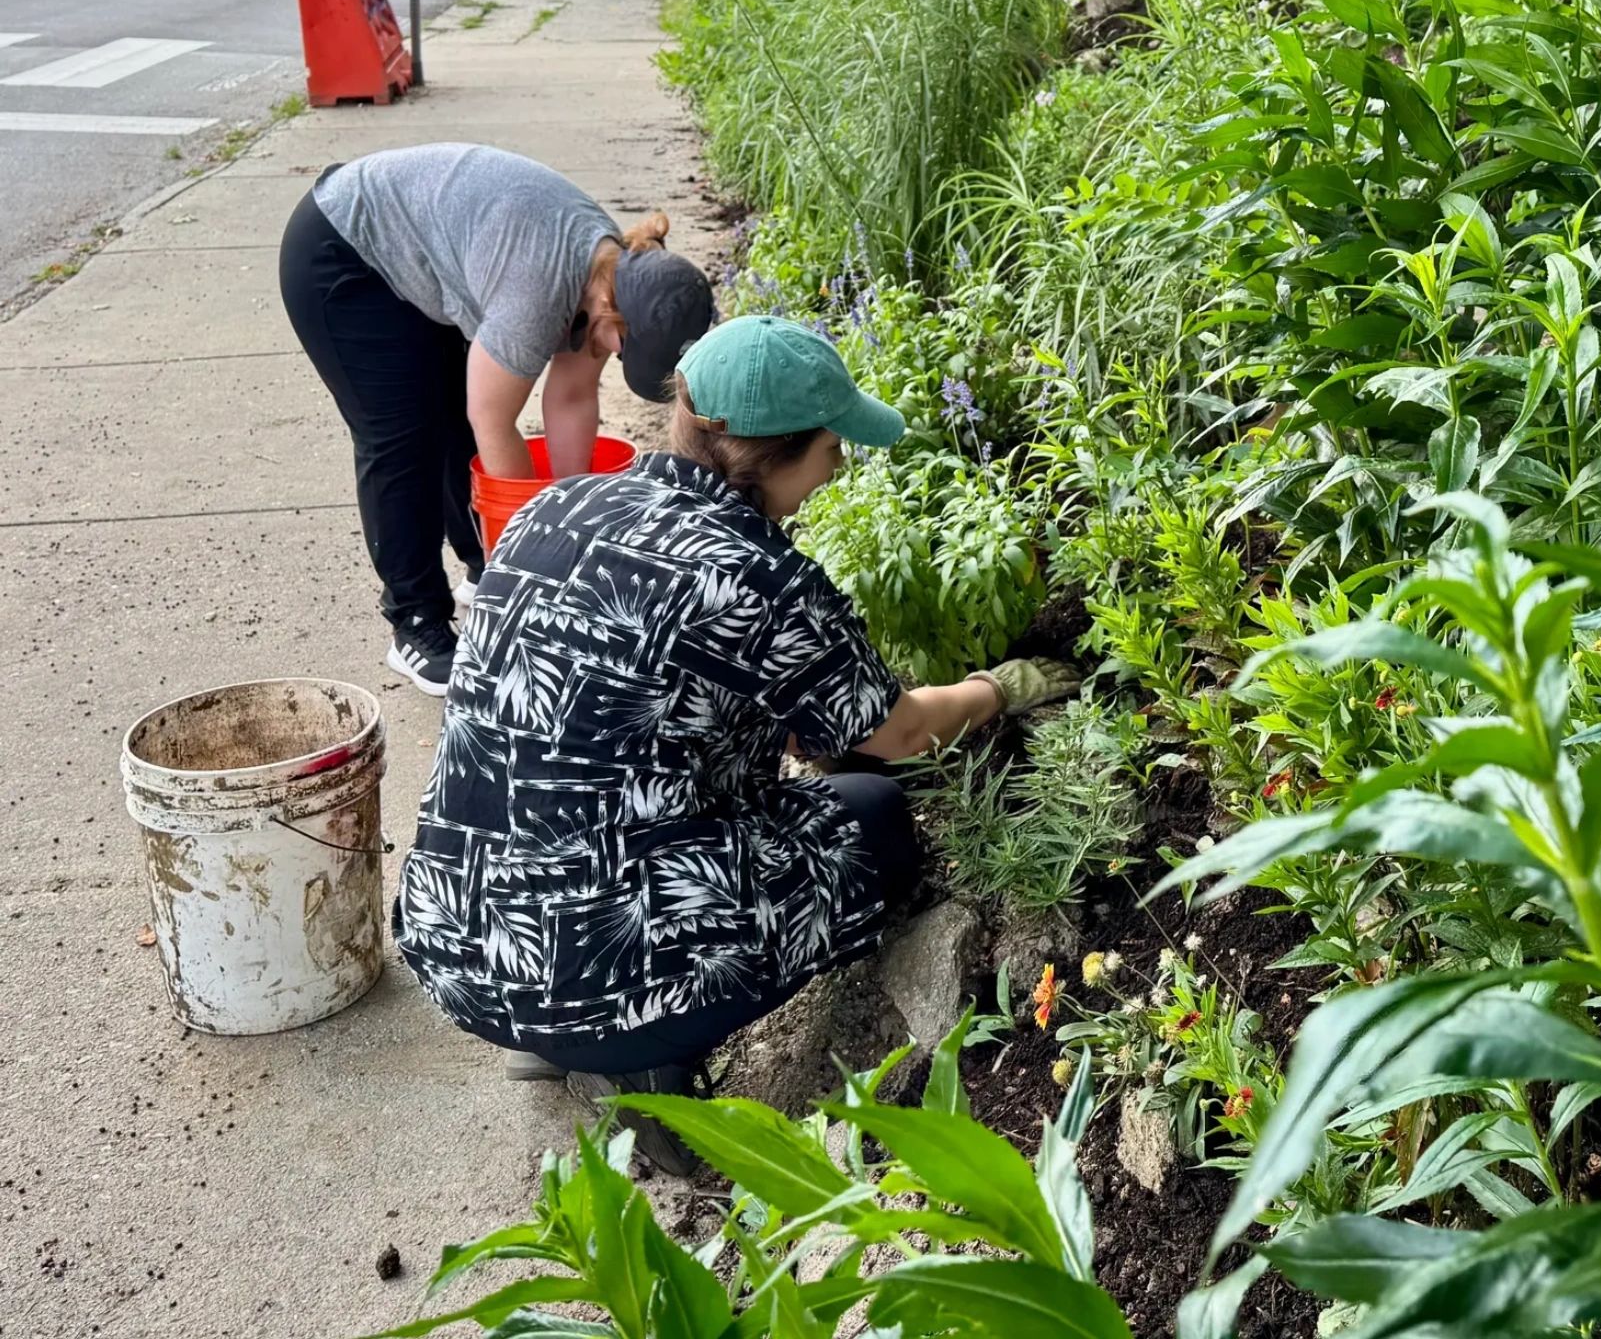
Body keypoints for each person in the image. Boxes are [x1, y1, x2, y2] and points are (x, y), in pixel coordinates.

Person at [394, 314, 1078, 1170]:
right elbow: (897, 732)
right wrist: (993, 691)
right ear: (776, 453)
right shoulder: (750, 572)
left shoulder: (556, 505)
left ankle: (546, 1034)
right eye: (832, 449)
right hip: (595, 973)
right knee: (874, 821)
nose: (834, 473)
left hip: (456, 939)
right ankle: (647, 1064)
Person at [279, 143, 715, 697]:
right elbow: (493, 421)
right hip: (343, 248)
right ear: (610, 304)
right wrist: (529, 565)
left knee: (451, 423)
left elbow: (573, 397)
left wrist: (573, 529)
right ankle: (416, 622)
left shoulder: (616, 268)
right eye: (625, 344)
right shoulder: (540, 290)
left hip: (415, 257)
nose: (619, 355)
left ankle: (482, 567)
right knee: (403, 435)